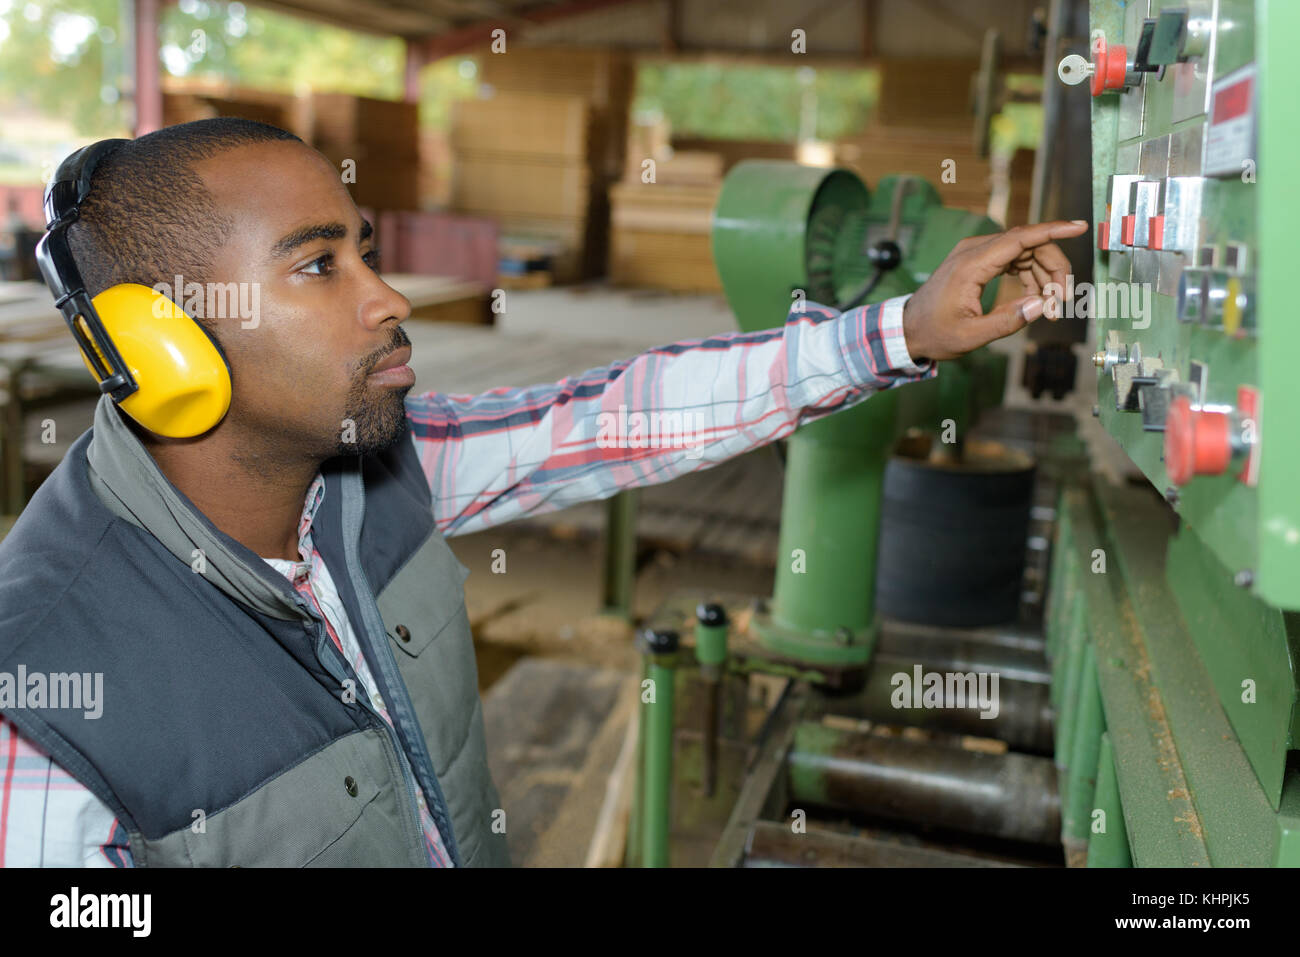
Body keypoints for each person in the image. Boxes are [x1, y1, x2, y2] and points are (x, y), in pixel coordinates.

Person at [0, 118, 1086, 867]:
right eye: (319, 265)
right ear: (163, 340)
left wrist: (899, 330)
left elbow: (611, 421)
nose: (387, 300)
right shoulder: (47, 710)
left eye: (364, 251)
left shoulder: (371, 479)